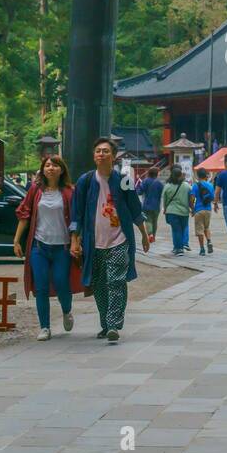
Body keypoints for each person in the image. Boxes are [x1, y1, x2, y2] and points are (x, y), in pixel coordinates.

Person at [69, 137, 150, 343]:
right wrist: (74, 240)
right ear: (94, 156)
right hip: (92, 241)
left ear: (114, 156)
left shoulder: (123, 180)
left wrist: (143, 234)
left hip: (119, 239)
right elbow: (76, 214)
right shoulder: (85, 181)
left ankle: (113, 324)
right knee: (98, 284)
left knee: (116, 281)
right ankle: (106, 323)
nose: (101, 154)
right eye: (98, 151)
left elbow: (135, 209)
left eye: (106, 151)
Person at [14, 154, 76, 340]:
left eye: (55, 165)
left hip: (62, 248)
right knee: (40, 286)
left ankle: (66, 310)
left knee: (61, 283)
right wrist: (17, 240)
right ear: (43, 169)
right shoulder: (35, 190)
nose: (50, 168)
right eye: (47, 165)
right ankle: (45, 327)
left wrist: (76, 241)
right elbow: (24, 215)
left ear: (62, 169)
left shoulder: (68, 192)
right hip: (39, 246)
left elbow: (76, 220)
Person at [162, 166, 192, 256]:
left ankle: (178, 248)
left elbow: (165, 199)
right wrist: (192, 206)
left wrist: (165, 208)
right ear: (180, 175)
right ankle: (180, 246)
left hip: (171, 211)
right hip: (184, 211)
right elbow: (193, 197)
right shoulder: (187, 186)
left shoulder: (167, 186)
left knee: (176, 230)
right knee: (182, 229)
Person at [137, 166, 164, 244]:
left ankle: (150, 234)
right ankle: (153, 236)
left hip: (146, 205)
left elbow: (139, 192)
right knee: (155, 221)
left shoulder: (145, 181)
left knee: (147, 220)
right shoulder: (159, 183)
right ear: (156, 174)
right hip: (156, 206)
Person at [192, 167, 215, 255]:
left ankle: (202, 249)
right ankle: (209, 241)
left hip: (198, 210)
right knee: (206, 227)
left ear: (198, 176)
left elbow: (192, 198)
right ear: (205, 175)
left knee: (199, 230)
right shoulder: (210, 185)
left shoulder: (195, 186)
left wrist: (192, 208)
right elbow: (212, 198)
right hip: (208, 210)